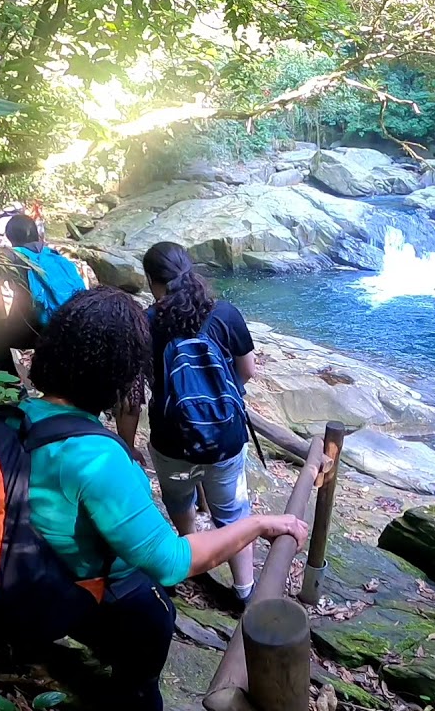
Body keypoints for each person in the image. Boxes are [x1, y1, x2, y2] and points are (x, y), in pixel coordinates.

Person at [24, 285, 307, 710]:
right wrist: (259, 524)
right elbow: (170, 562)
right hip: (64, 589)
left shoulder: (19, 414)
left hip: (25, 566)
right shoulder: (98, 459)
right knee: (153, 609)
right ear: (121, 375)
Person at [122, 241, 260, 604]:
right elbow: (247, 371)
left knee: (180, 499)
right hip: (226, 437)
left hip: (171, 440)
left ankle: (192, 561)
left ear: (151, 280)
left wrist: (127, 445)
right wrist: (220, 399)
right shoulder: (224, 313)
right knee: (232, 512)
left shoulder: (145, 324)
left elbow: (131, 398)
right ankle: (245, 591)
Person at [0, 214, 83, 374]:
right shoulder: (55, 256)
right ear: (36, 234)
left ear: (10, 237)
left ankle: (14, 383)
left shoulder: (14, 256)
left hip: (40, 330)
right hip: (74, 326)